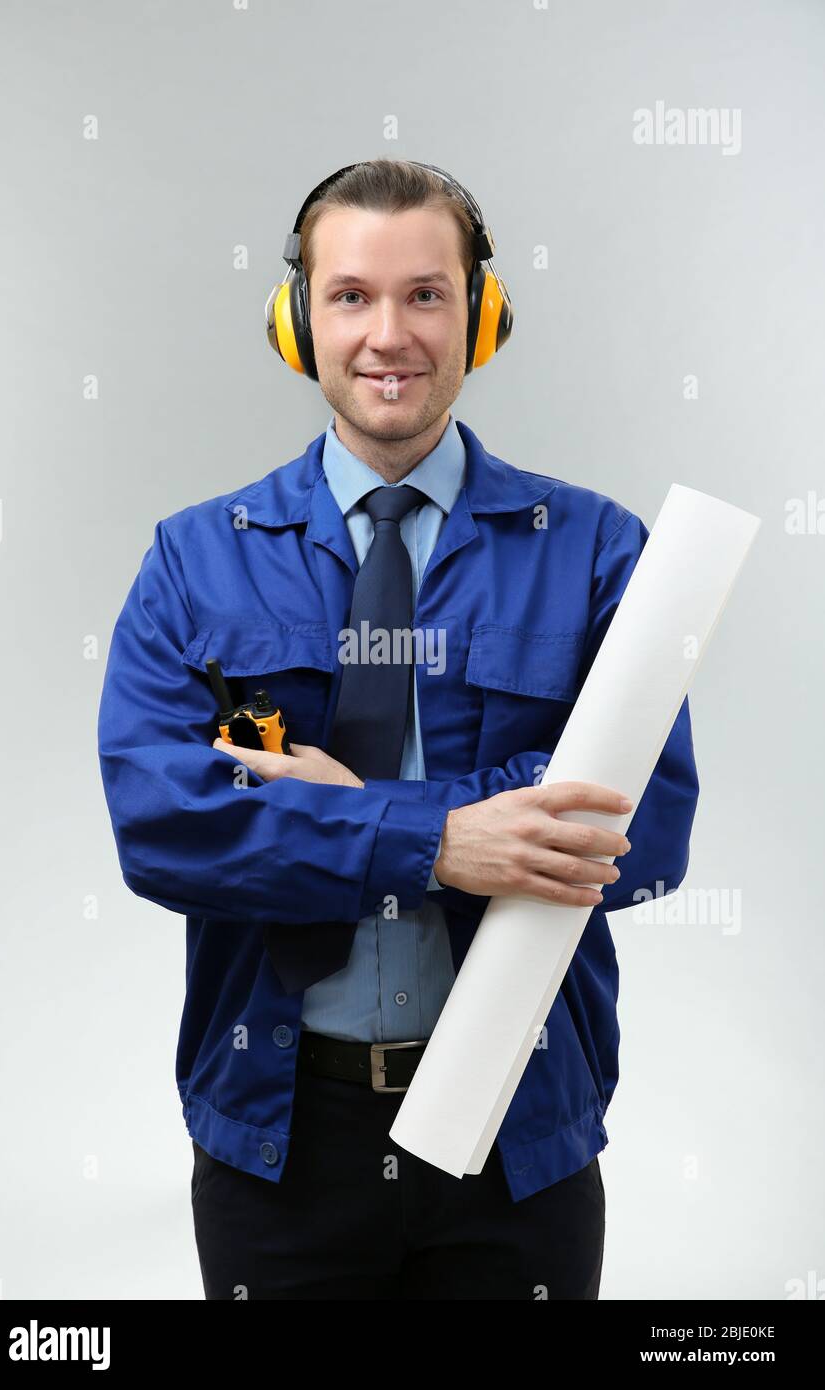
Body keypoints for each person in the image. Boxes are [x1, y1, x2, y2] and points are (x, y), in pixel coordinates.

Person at [97, 158, 699, 1300]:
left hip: (519, 1131)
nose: (389, 335)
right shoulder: (198, 558)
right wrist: (444, 840)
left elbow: (648, 821)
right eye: (350, 296)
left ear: (482, 315)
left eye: (426, 294)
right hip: (278, 1134)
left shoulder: (592, 550)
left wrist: (358, 814)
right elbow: (164, 821)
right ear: (297, 321)